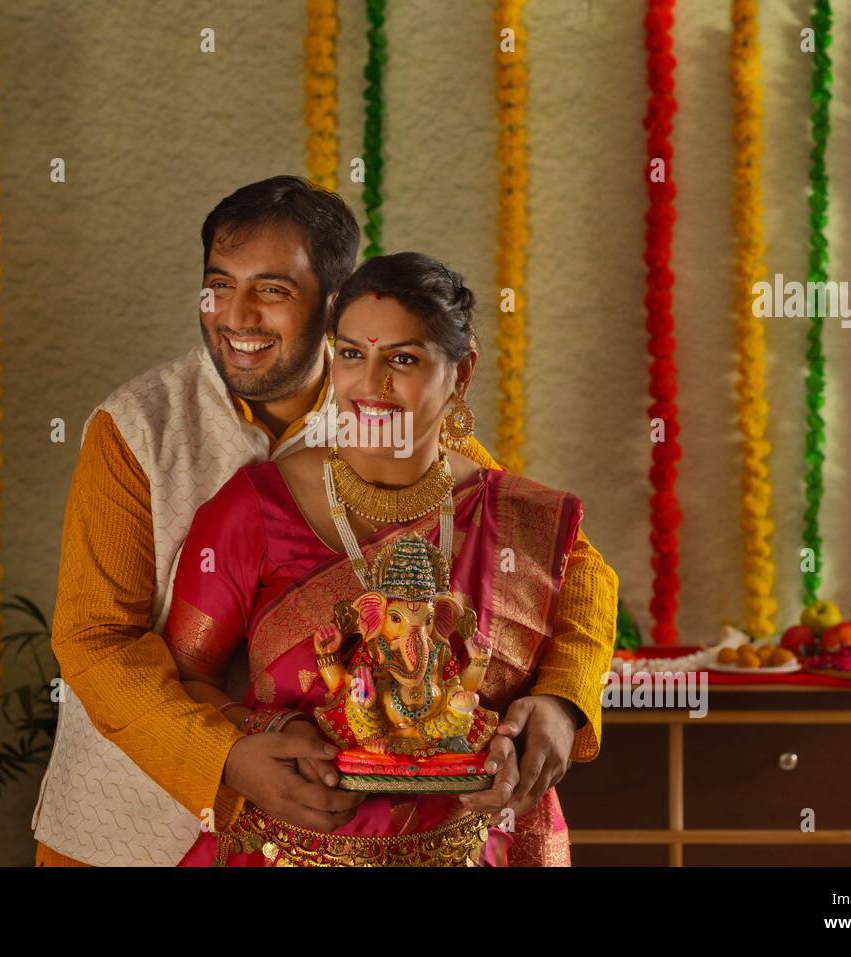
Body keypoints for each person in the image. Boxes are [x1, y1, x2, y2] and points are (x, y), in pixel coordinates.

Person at [32, 177, 506, 866]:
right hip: (125, 826)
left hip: (319, 838)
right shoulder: (136, 427)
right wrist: (224, 754)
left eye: (273, 290)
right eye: (219, 284)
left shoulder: (390, 413)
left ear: (336, 303)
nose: (237, 315)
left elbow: (561, 553)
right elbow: (95, 641)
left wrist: (562, 703)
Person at [161, 252, 618, 866]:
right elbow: (183, 680)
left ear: (461, 373)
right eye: (351, 354)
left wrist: (561, 706)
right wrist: (257, 740)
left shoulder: (516, 517)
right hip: (287, 852)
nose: (370, 385)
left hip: (478, 848)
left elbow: (589, 599)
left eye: (403, 359)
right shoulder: (252, 509)